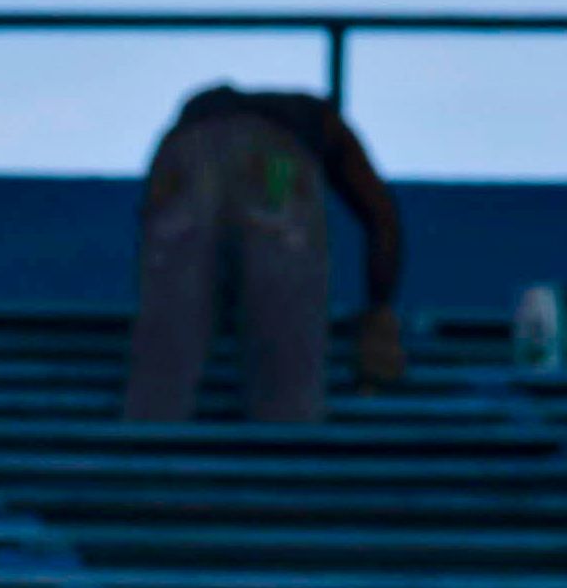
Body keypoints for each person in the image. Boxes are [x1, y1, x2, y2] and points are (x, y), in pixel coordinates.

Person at [125, 86, 406, 423]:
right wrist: (379, 311)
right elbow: (381, 218)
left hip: (184, 156)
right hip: (274, 164)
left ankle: (147, 448)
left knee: (162, 367)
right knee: (286, 383)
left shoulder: (206, 112)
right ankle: (287, 449)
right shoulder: (317, 121)